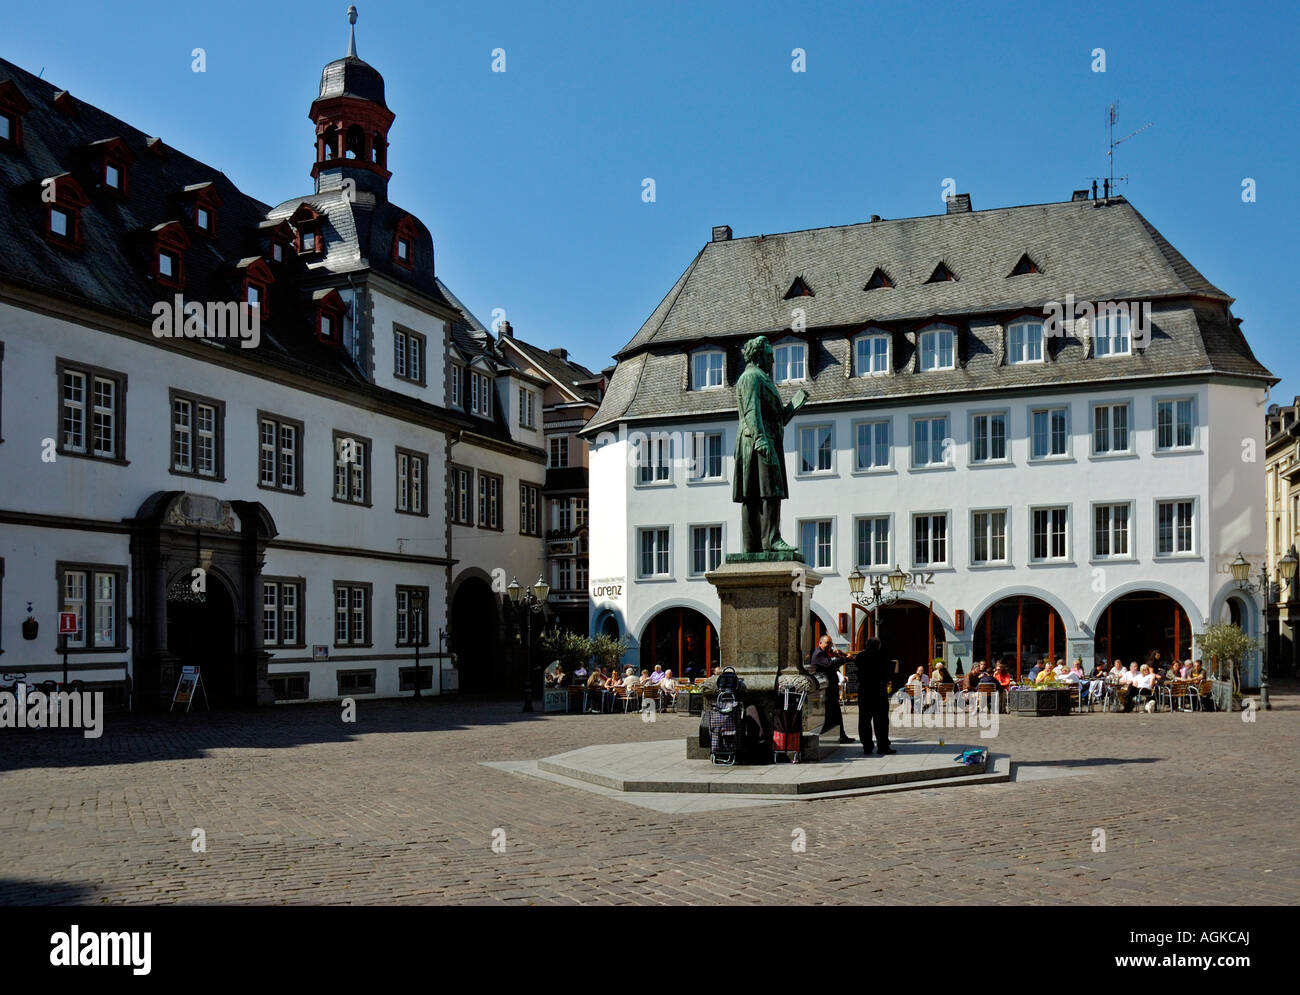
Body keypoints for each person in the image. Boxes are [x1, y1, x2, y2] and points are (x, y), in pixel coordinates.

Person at [808, 633, 854, 743]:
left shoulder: (824, 653)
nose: (829, 646)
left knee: (834, 713)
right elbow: (829, 664)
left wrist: (839, 655)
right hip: (826, 689)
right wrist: (844, 658)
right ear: (820, 643)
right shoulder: (819, 654)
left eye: (830, 643)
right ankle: (838, 736)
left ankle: (840, 735)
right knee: (832, 713)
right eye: (827, 643)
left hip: (830, 688)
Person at [854, 637, 895, 756]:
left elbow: (857, 671)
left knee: (864, 720)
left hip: (864, 690)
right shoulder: (883, 656)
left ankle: (867, 746)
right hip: (878, 690)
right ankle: (882, 746)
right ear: (878, 645)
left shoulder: (861, 656)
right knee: (881, 720)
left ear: (867, 645)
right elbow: (889, 673)